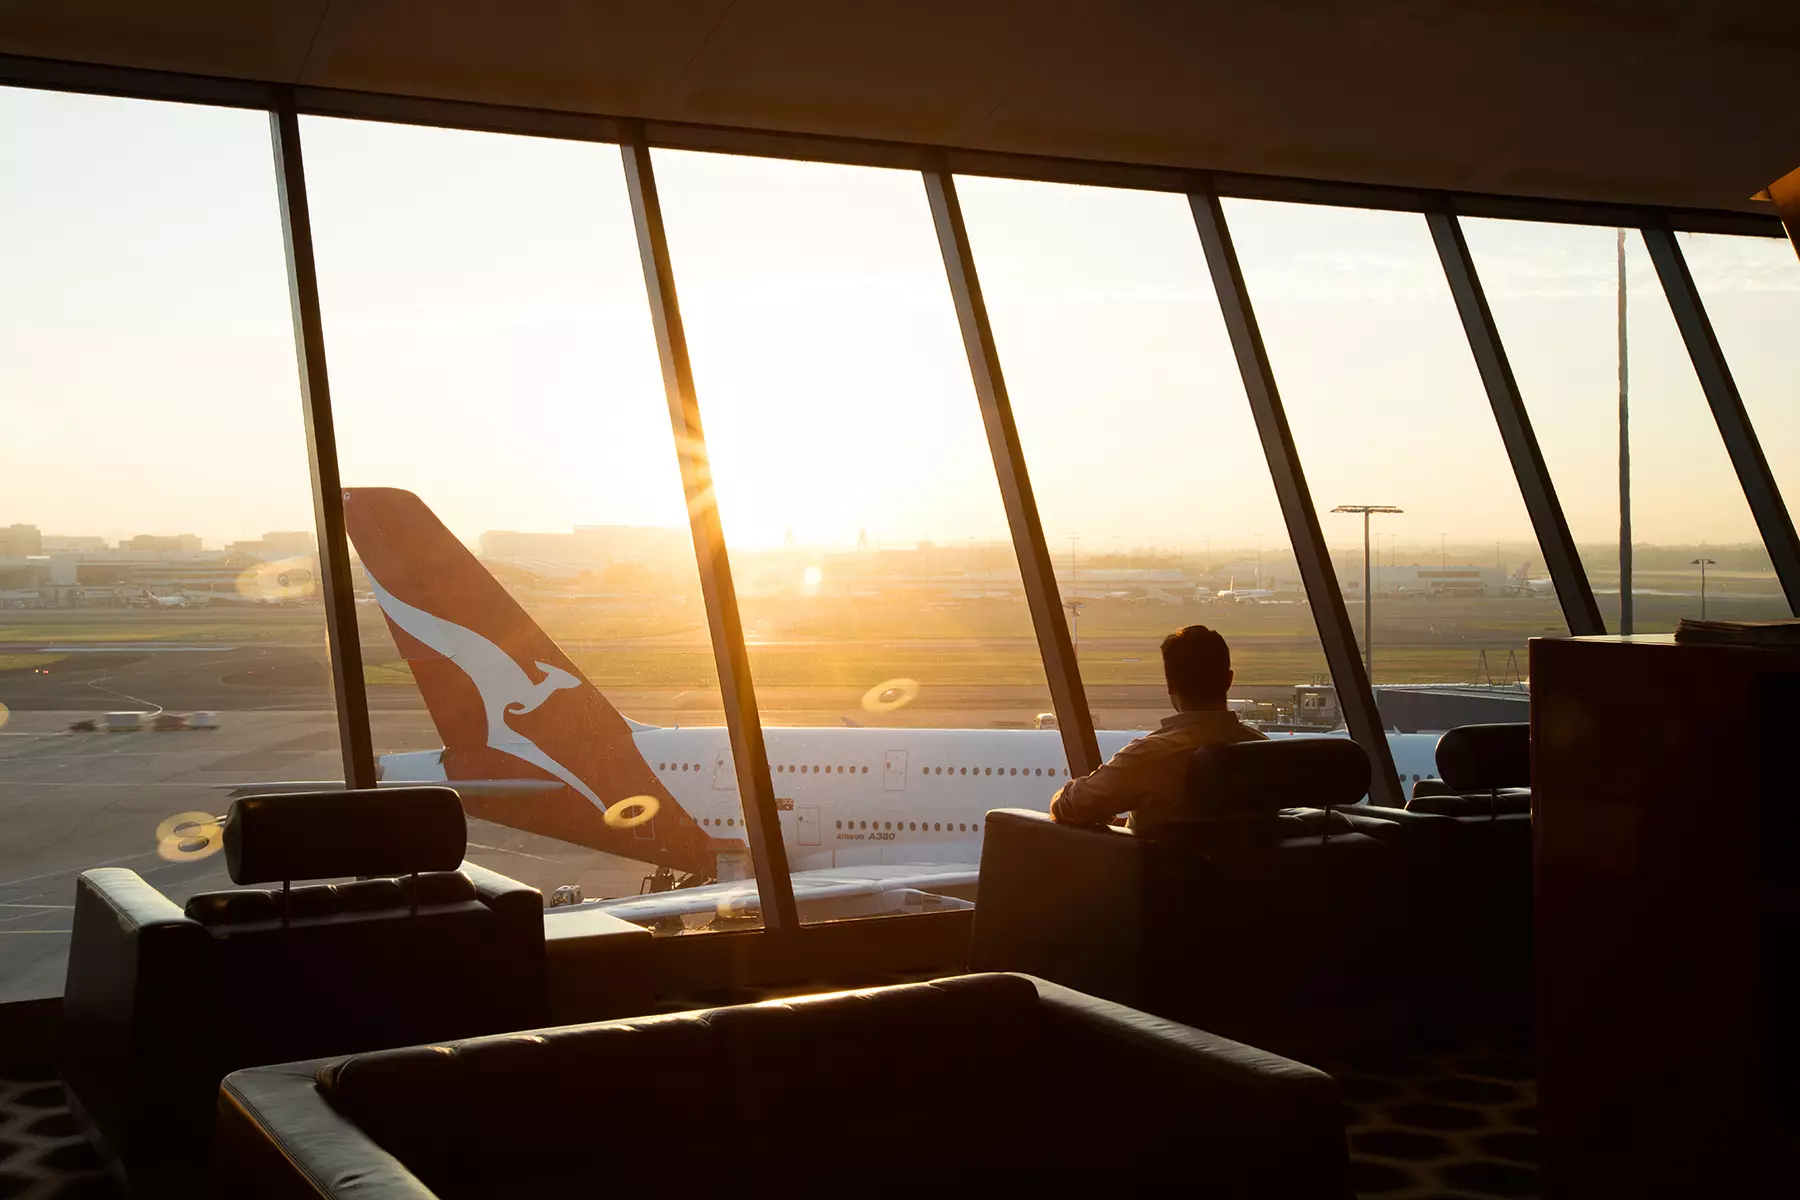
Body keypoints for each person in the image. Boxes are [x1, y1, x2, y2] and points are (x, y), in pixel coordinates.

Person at [1049, 624, 1266, 828]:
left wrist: (1065, 793)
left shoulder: (1151, 755)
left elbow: (1071, 806)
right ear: (1229, 680)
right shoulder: (1263, 749)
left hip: (1167, 868)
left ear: (1171, 685)